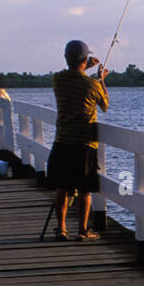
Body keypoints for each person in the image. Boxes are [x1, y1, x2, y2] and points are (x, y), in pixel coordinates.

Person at [47, 39, 109, 240]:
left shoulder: (58, 79)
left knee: (62, 188)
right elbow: (105, 105)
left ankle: (62, 229)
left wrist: (85, 67)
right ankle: (82, 230)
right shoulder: (92, 84)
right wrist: (101, 79)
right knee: (84, 190)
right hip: (84, 144)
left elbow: (74, 76)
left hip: (62, 141)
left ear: (66, 58)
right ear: (84, 60)